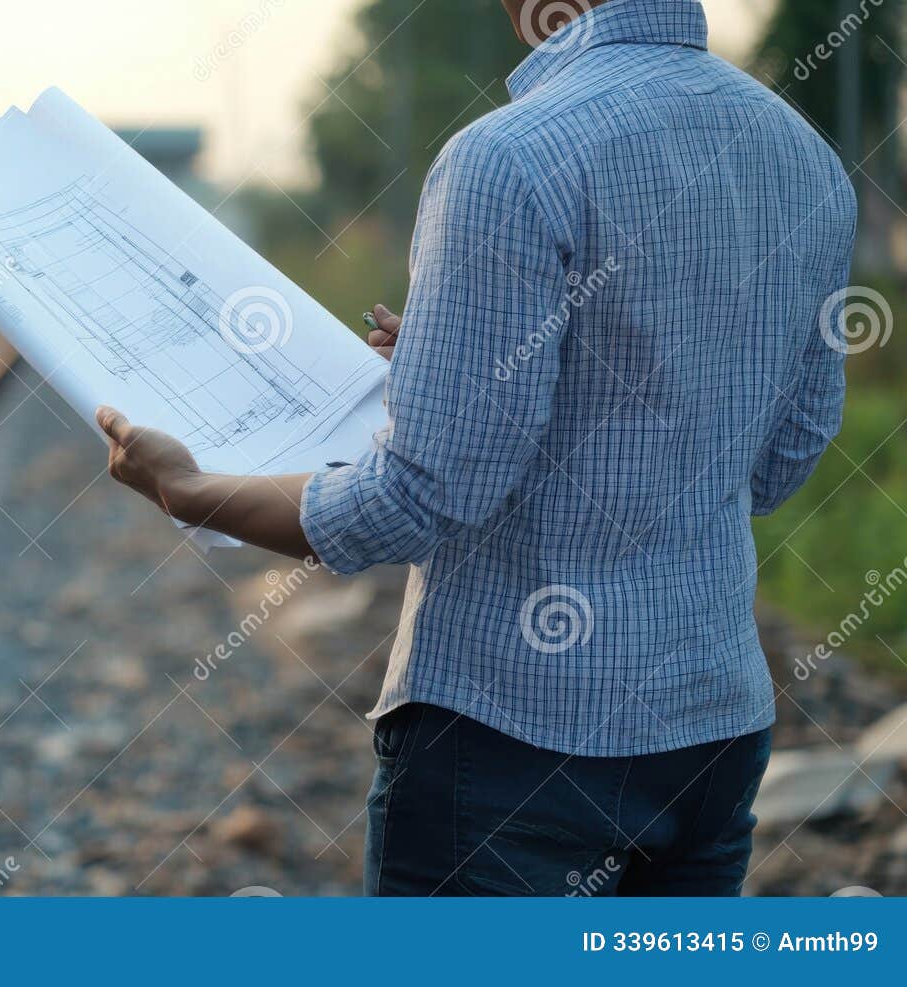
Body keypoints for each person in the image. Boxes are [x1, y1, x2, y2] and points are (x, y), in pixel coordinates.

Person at [97, 0, 856, 895]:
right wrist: (471, 359)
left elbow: (421, 497)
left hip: (513, 739)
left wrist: (193, 492)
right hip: (710, 733)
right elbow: (779, 463)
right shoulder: (807, 159)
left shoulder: (509, 157)